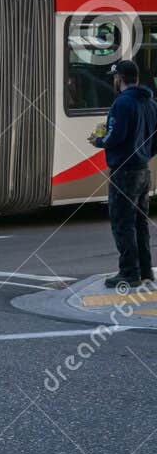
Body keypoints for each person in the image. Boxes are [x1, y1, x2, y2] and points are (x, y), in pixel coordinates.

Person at [91, 58, 157, 288]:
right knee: (140, 222)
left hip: (124, 172)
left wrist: (98, 141)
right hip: (142, 171)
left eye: (115, 78)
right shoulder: (150, 103)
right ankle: (146, 270)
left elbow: (114, 136)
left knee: (122, 223)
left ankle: (129, 272)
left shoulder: (122, 103)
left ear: (119, 79)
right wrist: (144, 154)